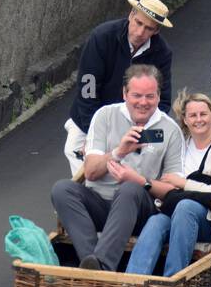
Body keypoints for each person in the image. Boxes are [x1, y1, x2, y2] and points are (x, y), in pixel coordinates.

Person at [51, 65, 182, 271]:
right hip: (101, 204)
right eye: (137, 95)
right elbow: (91, 172)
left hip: (140, 209)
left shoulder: (170, 130)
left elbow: (173, 191)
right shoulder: (105, 115)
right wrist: (119, 152)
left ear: (158, 96)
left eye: (150, 96)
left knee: (129, 189)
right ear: (124, 94)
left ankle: (102, 265)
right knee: (62, 189)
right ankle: (92, 261)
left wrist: (138, 180)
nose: (143, 102)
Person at [125, 91, 211, 277]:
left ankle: (172, 281)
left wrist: (184, 183)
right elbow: (140, 143)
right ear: (185, 120)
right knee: (157, 221)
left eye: (203, 114)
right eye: (192, 115)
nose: (198, 120)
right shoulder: (181, 144)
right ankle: (133, 282)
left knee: (186, 207)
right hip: (176, 214)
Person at [62, 0, 173, 177]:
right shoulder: (102, 37)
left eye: (148, 28)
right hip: (89, 118)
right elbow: (87, 90)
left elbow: (163, 102)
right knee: (75, 152)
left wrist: (140, 133)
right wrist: (95, 136)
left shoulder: (163, 53)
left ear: (157, 30)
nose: (140, 32)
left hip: (134, 126)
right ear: (131, 15)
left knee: (151, 159)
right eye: (138, 23)